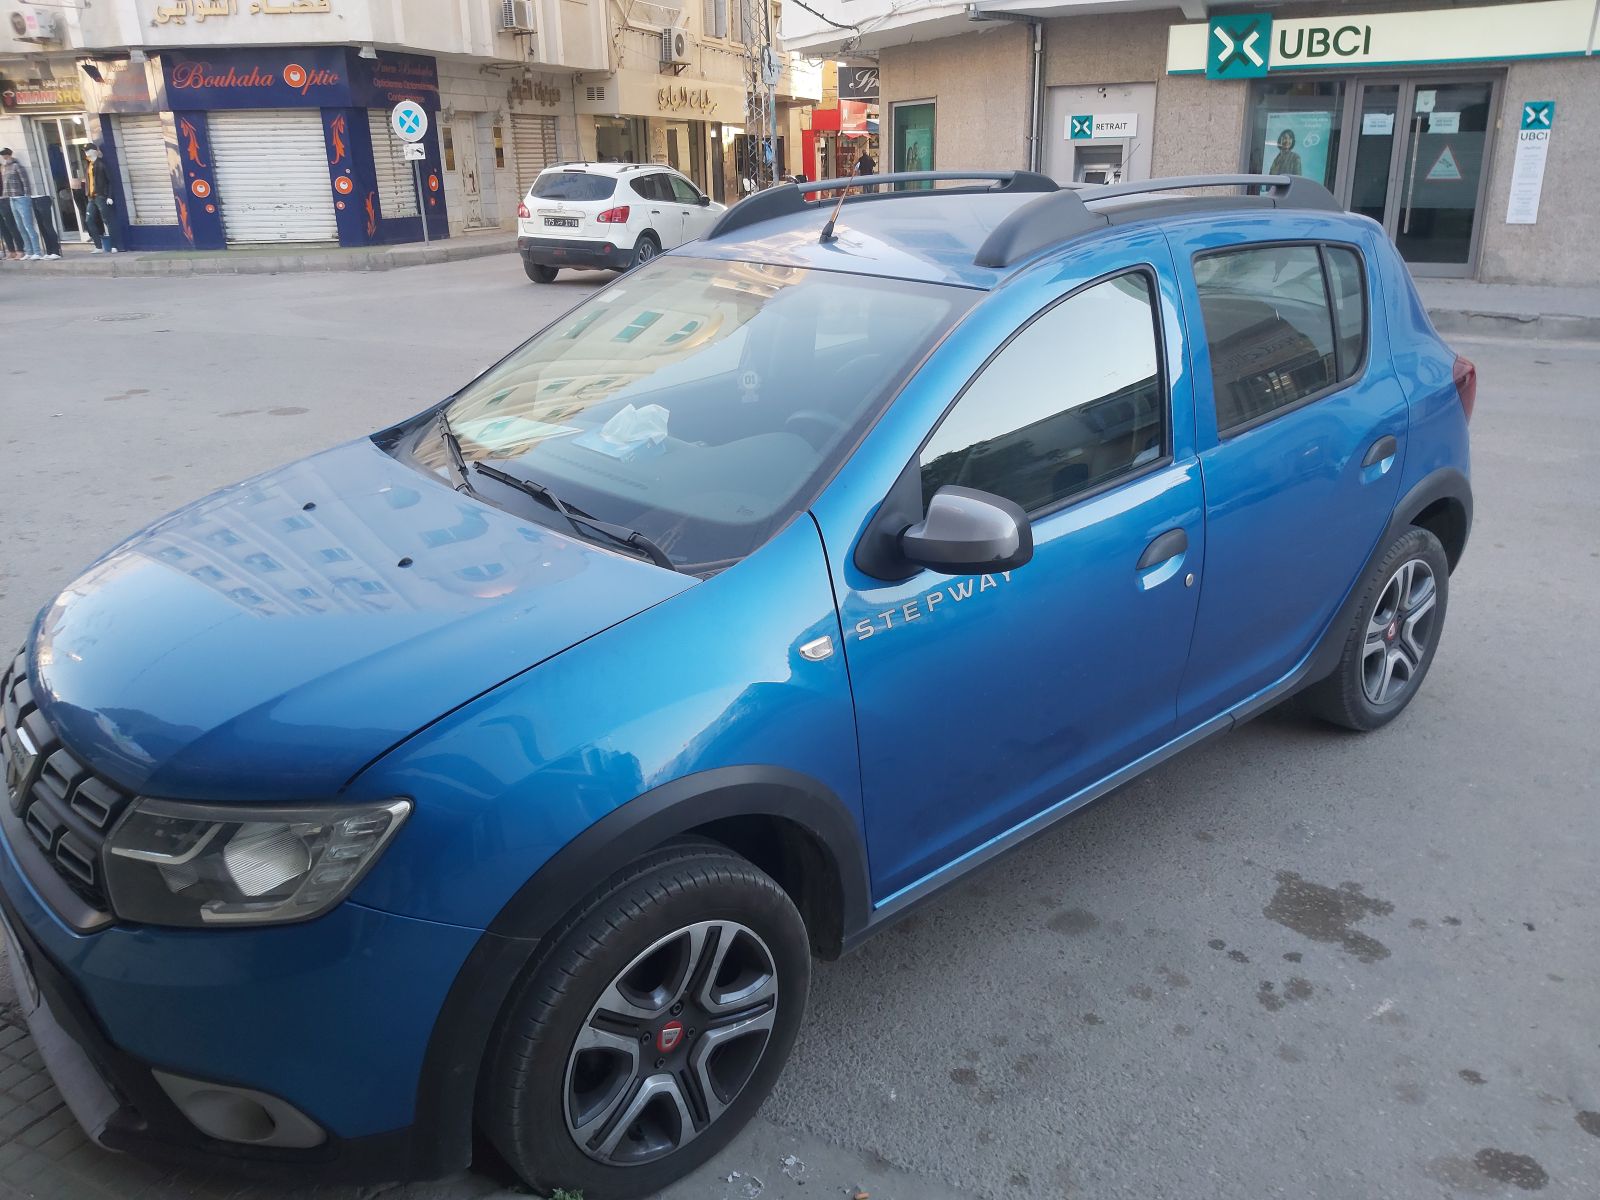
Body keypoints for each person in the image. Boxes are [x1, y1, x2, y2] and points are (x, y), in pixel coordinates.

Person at [1, 148, 45, 260]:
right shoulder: (5, 168)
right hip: (11, 198)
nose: (4, 157)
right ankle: (29, 251)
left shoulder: (17, 166)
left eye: (5, 155)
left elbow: (25, 182)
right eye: (3, 155)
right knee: (20, 226)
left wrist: (26, 195)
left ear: (9, 154)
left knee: (28, 225)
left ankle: (37, 251)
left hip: (21, 198)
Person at [83, 144, 121, 254]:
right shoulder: (89, 165)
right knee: (89, 220)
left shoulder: (101, 164)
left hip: (101, 196)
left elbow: (110, 181)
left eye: (88, 150)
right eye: (85, 151)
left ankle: (114, 245)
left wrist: (109, 196)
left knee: (107, 220)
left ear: (94, 151)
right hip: (91, 197)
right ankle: (98, 246)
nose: (86, 153)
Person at [0, 195, 22, 261]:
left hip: (5, 200)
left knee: (11, 227)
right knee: (3, 229)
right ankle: (11, 251)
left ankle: (20, 250)